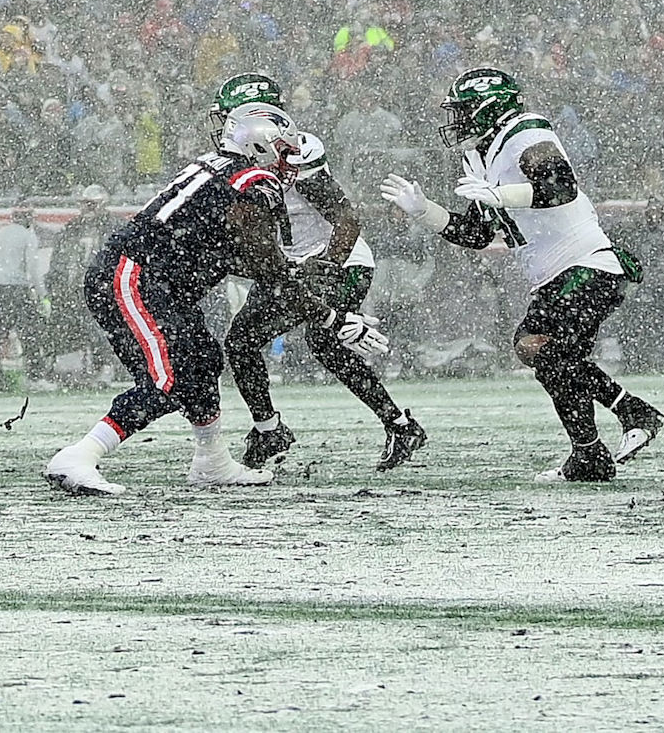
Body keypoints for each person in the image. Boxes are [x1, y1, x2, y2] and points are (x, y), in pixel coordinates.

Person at [385, 69, 664, 482]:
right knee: (544, 353)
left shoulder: (524, 131)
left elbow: (561, 186)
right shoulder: (480, 155)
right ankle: (615, 430)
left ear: (490, 108)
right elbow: (478, 234)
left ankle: (602, 444)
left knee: (540, 347)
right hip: (558, 273)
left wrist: (502, 194)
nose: (458, 120)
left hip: (588, 263)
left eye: (464, 111)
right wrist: (425, 210)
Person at [46, 132, 284, 494]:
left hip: (156, 283)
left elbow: (240, 252)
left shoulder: (214, 175)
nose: (287, 162)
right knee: (167, 379)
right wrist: (304, 280)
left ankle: (212, 460)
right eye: (284, 150)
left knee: (203, 361)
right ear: (260, 141)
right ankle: (81, 454)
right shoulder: (247, 179)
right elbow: (258, 250)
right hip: (137, 276)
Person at [209, 73, 423, 475]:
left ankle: (400, 425)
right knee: (240, 342)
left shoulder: (295, 155)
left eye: (231, 119)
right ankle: (269, 429)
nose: (226, 130)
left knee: (325, 339)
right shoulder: (241, 162)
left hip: (336, 260)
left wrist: (325, 267)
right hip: (289, 266)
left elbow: (346, 217)